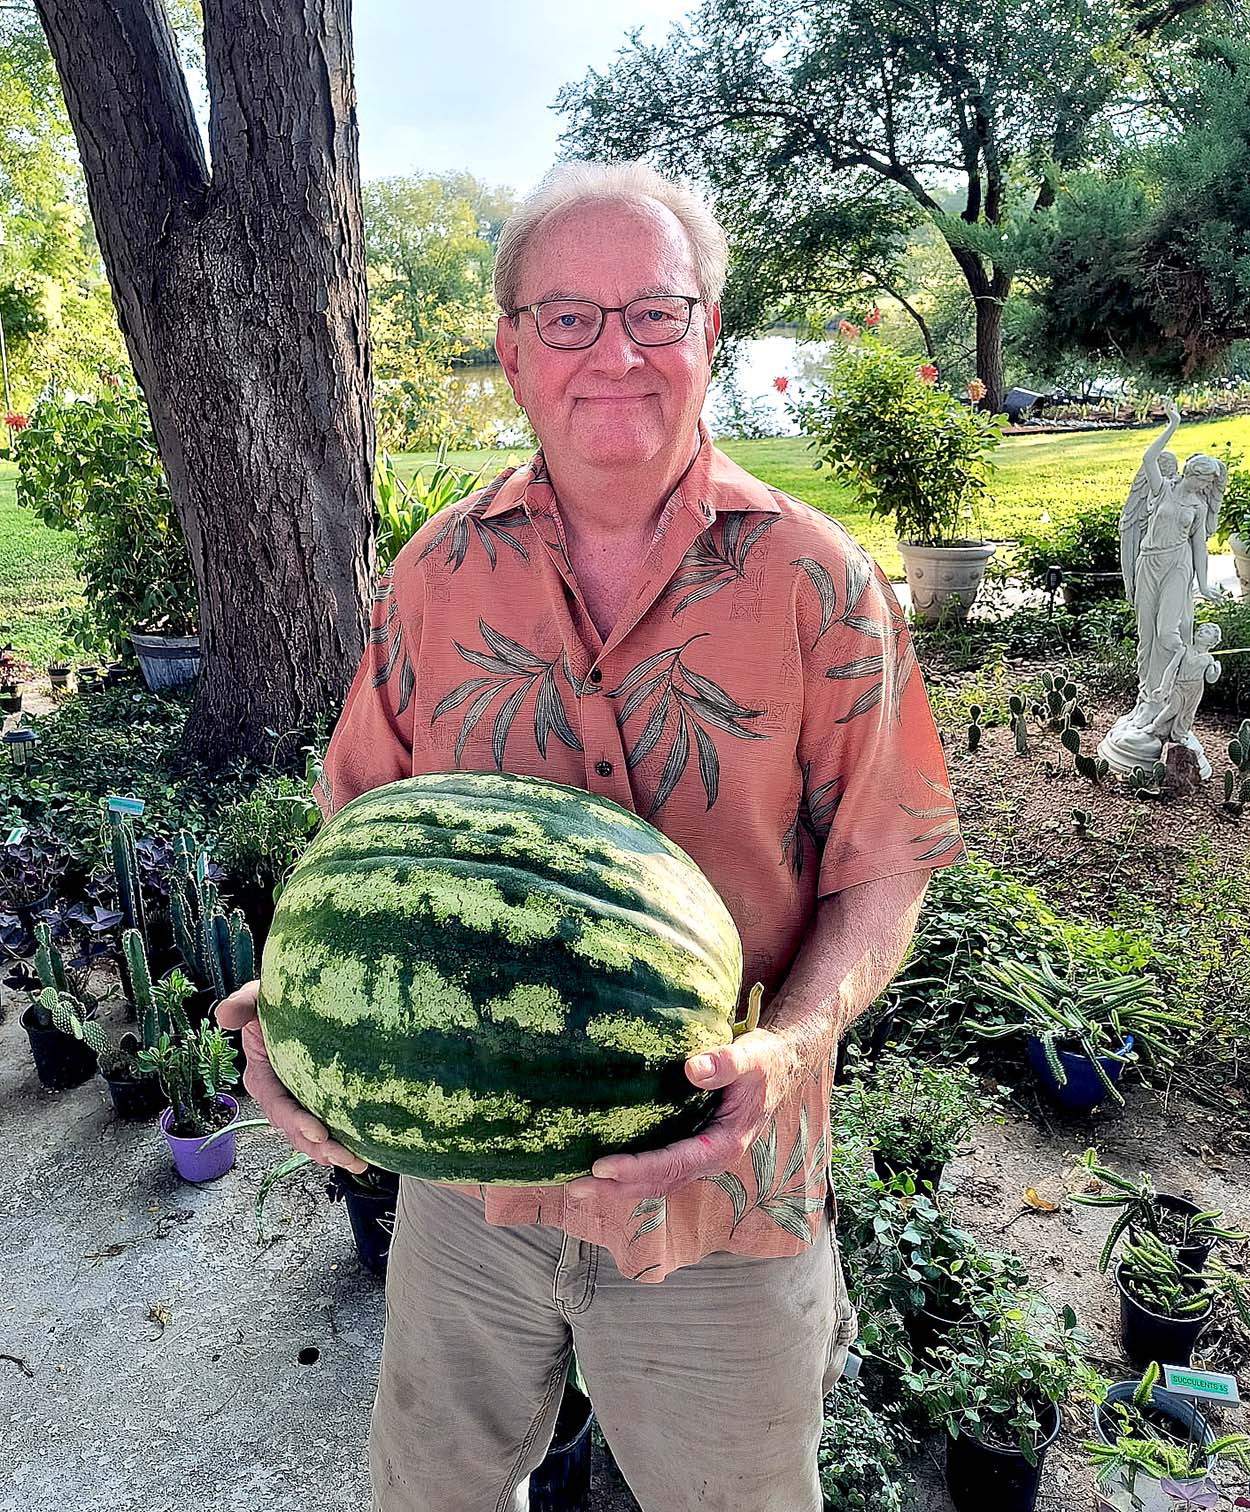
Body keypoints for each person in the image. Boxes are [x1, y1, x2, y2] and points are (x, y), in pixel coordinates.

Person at [218, 160, 965, 1512]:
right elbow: (360, 845)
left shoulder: (819, 583)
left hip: (725, 1206)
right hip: (471, 1200)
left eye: (654, 313)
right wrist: (299, 1015)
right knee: (428, 1492)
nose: (611, 352)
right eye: (566, 317)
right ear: (511, 351)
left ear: (707, 338)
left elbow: (887, 861)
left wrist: (789, 1052)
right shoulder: (435, 575)